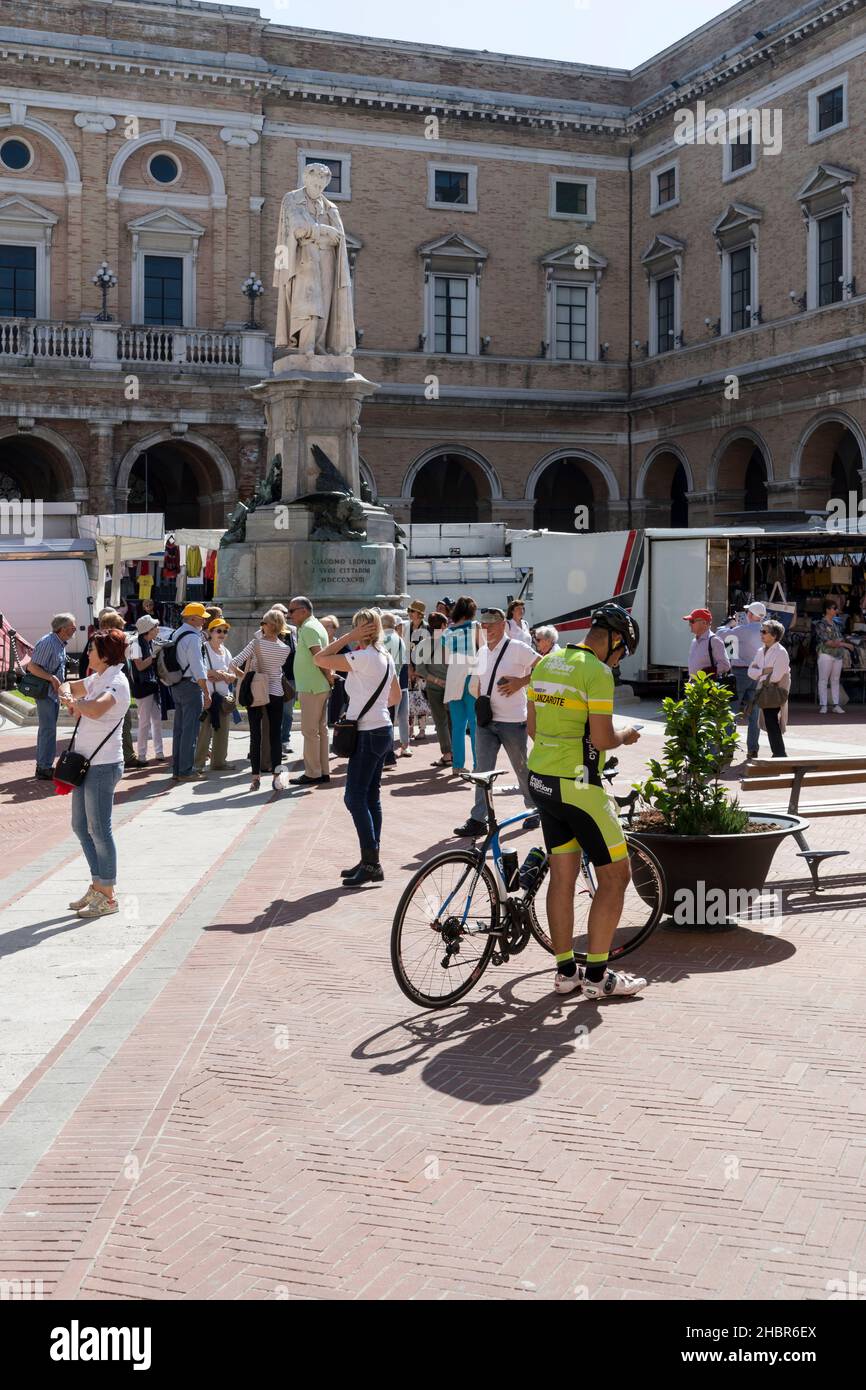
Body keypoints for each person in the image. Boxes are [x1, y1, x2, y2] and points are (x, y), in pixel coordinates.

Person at [527, 604, 647, 999]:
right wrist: (626, 733)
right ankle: (597, 978)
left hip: (541, 779)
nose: (620, 659)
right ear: (615, 640)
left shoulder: (546, 662)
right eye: (623, 651)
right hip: (578, 786)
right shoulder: (597, 673)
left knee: (562, 876)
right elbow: (601, 739)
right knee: (616, 876)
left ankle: (565, 973)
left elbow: (532, 726)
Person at [313, 609, 401, 886]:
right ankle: (370, 859)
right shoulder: (385, 657)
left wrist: (347, 638)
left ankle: (372, 863)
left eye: (355, 629)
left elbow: (319, 659)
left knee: (354, 798)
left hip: (368, 733)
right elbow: (395, 695)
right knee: (370, 797)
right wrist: (371, 708)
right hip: (383, 729)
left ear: (360, 630)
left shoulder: (362, 658)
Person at [57, 629, 131, 919]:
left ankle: (108, 895)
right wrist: (67, 695)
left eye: (92, 649)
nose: (87, 654)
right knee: (80, 825)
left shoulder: (117, 681)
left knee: (99, 829)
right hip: (85, 763)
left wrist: (75, 704)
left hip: (104, 764)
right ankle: (99, 883)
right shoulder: (98, 678)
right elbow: (68, 685)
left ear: (105, 654)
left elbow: (97, 710)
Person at [453, 607, 541, 838]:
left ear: (503, 625)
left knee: (521, 768)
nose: (487, 628)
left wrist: (521, 682)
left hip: (513, 720)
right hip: (486, 721)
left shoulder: (517, 648)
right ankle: (477, 819)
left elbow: (544, 667)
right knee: (481, 771)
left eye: (492, 624)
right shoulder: (482, 651)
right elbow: (480, 680)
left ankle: (534, 809)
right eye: (484, 624)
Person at [232, 608, 289, 791]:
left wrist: (246, 676)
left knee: (255, 735)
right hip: (276, 692)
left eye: (263, 622)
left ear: (268, 625)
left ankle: (255, 777)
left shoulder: (255, 643)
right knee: (275, 736)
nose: (261, 625)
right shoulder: (285, 648)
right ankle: (277, 777)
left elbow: (233, 662)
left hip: (256, 691)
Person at [288, 596, 331, 786]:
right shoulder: (315, 626)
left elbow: (319, 656)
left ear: (303, 611)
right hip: (317, 685)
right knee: (320, 730)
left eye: (292, 611)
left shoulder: (308, 628)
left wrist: (329, 677)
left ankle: (313, 772)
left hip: (312, 687)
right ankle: (322, 771)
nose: (289, 616)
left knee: (310, 731)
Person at [28, 612, 77, 780]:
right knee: (48, 730)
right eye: (72, 627)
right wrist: (51, 677)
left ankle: (44, 765)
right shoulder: (48, 642)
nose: (75, 629)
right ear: (62, 629)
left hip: (52, 693)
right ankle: (43, 767)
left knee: (48, 730)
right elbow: (32, 667)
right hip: (45, 693)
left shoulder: (59, 642)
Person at [169, 601, 211, 783]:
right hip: (190, 686)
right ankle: (186, 770)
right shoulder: (193, 637)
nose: (204, 620)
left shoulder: (176, 633)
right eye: (202, 617)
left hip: (176, 684)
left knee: (179, 730)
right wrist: (206, 692)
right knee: (190, 730)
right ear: (193, 618)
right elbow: (198, 668)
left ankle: (178, 769)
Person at [717, 601, 766, 758]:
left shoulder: (743, 629)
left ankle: (728, 748)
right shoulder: (766, 630)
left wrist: (729, 625)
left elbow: (720, 634)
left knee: (731, 711)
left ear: (751, 614)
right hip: (758, 673)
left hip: (741, 673)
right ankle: (753, 748)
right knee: (755, 713)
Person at [443, 596, 480, 774]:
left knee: (457, 725)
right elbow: (484, 651)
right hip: (472, 676)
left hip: (453, 677)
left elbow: (445, 658)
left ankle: (457, 766)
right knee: (474, 724)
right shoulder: (476, 626)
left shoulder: (447, 632)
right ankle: (478, 765)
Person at [194, 618, 236, 773]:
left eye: (225, 631)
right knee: (204, 732)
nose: (222, 634)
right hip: (208, 697)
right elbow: (200, 671)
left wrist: (225, 675)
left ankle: (219, 762)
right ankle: (198, 764)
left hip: (223, 698)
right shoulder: (204, 648)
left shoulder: (226, 651)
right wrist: (215, 673)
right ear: (210, 632)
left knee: (223, 732)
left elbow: (231, 674)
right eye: (218, 630)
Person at [748, 619, 791, 757]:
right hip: (764, 690)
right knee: (770, 720)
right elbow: (750, 672)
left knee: (771, 719)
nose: (761, 633)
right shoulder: (760, 651)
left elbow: (776, 676)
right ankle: (779, 752)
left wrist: (760, 672)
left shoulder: (781, 652)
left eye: (764, 631)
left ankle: (779, 753)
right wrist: (765, 671)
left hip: (776, 691)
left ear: (774, 635)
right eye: (761, 630)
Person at [413, 612, 452, 766]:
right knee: (453, 720)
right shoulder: (451, 642)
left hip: (434, 687)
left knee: (440, 721)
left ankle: (447, 754)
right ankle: (455, 753)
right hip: (452, 686)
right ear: (443, 625)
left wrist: (436, 680)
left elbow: (420, 670)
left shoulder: (424, 644)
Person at [130, 615, 164, 763]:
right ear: (148, 630)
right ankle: (142, 755)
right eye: (155, 627)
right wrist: (154, 654)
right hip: (142, 686)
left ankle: (159, 752)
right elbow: (140, 666)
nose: (158, 629)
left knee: (156, 720)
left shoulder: (149, 642)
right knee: (144, 722)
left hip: (152, 685)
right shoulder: (135, 644)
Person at [815, 598, 853, 715]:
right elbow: (828, 642)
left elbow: (837, 639)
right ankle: (823, 705)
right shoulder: (821, 624)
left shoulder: (836, 624)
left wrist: (840, 642)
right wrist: (846, 644)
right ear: (827, 610)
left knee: (835, 680)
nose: (836, 610)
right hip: (826, 654)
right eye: (834, 608)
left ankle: (836, 704)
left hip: (837, 655)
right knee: (823, 679)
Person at [381, 612, 410, 761]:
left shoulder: (381, 639)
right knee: (391, 720)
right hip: (396, 682)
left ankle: (387, 755)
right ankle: (389, 754)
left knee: (386, 721)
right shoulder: (399, 639)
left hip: (384, 686)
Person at [684, 607, 731, 680]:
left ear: (704, 623)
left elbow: (725, 665)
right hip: (694, 685)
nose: (689, 624)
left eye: (692, 621)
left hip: (707, 686)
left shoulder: (714, 641)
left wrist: (707, 673)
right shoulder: (694, 641)